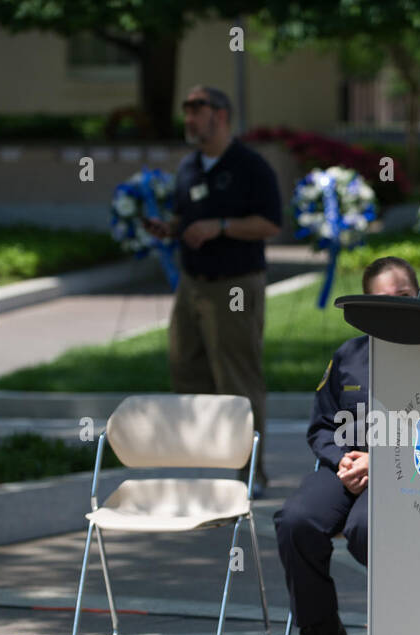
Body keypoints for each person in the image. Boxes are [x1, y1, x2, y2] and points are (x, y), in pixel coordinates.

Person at [274, 257, 420, 635]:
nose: (393, 307)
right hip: (345, 467)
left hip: (409, 470)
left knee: (366, 529)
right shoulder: (350, 356)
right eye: (380, 300)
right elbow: (321, 427)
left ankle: (400, 634)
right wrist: (343, 461)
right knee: (296, 520)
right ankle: (319, 633)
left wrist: (384, 461)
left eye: (404, 296)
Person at [148, 85, 283, 491]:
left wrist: (221, 226)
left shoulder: (250, 165)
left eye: (197, 110)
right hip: (192, 284)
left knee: (237, 378)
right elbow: (186, 217)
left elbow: (272, 223)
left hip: (235, 285)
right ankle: (211, 463)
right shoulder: (189, 168)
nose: (188, 118)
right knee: (187, 371)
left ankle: (250, 472)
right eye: (186, 110)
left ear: (221, 115)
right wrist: (169, 228)